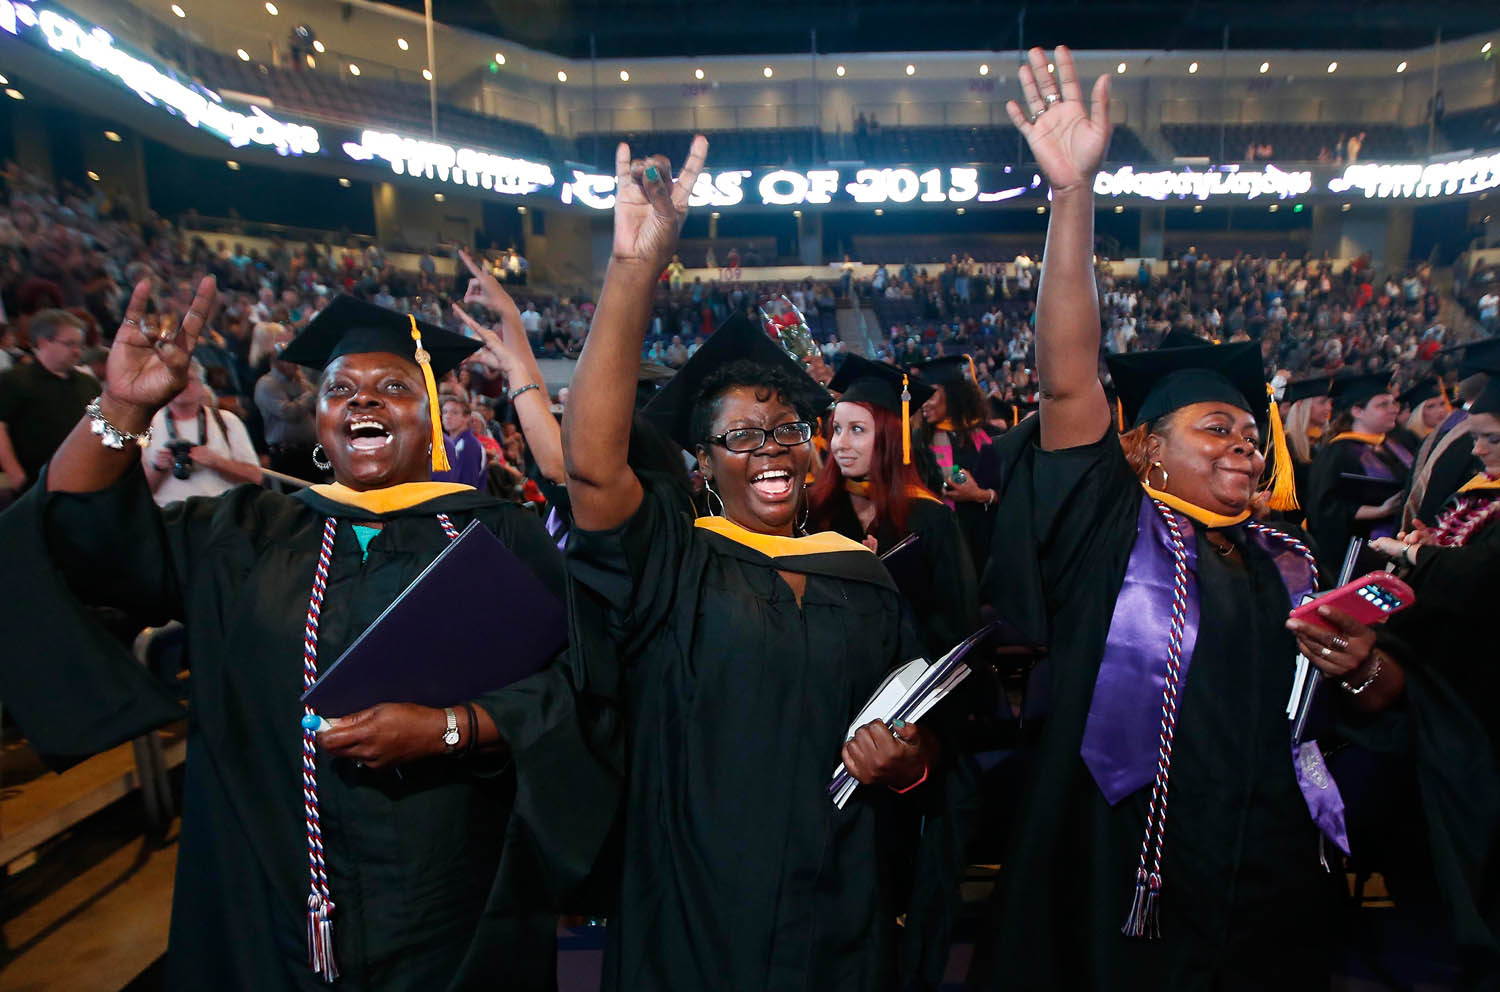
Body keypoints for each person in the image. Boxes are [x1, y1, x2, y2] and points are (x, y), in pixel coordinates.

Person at [0, 284, 610, 988]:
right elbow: (81, 541)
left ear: (433, 417)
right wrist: (126, 407)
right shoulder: (243, 533)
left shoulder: (499, 534)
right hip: (275, 895)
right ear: (319, 424)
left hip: (458, 901)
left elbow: (580, 687)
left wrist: (456, 727)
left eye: (393, 387)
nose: (363, 400)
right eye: (340, 389)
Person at [969, 47, 1357, 990]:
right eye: (1215, 427)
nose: (1246, 446)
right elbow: (1067, 375)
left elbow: (1334, 712)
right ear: (1145, 449)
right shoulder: (1112, 521)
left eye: (1252, 435)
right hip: (1126, 856)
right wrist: (1072, 197)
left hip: (1262, 855)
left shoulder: (1284, 553)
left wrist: (1368, 668)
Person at [562, 138, 945, 991]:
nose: (767, 451)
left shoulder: (863, 579)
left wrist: (910, 761)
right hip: (695, 908)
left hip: (838, 905)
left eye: (785, 433)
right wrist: (634, 267)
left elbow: (917, 744)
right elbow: (591, 465)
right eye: (739, 436)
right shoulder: (672, 560)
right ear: (701, 463)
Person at [1355, 367, 1500, 985]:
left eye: (1491, 436)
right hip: (1451, 682)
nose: (1477, 446)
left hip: (1478, 697)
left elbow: (1482, 583)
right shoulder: (1480, 492)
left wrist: (1417, 556)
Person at [808, 353, 978, 658]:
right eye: (836, 429)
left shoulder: (930, 518)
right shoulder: (818, 510)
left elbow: (956, 624)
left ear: (889, 437)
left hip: (911, 684)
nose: (840, 444)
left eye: (857, 430)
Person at [1305, 372, 1412, 574]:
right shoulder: (1336, 453)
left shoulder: (1401, 443)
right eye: (1382, 405)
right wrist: (1380, 511)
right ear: (1357, 410)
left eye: (1393, 403)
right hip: (1355, 552)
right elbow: (1323, 509)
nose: (1393, 410)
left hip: (1398, 544)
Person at [912, 354, 1001, 575]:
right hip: (941, 550)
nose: (924, 403)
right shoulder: (917, 443)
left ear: (952, 394)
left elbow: (1012, 493)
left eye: (930, 394)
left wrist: (979, 494)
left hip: (988, 545)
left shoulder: (991, 437)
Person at [0, 309, 98, 494]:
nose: (77, 351)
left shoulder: (88, 383)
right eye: (69, 344)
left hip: (88, 483)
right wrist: (17, 478)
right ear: (44, 343)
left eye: (80, 345)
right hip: (36, 487)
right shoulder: (13, 381)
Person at [142, 359, 262, 505]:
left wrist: (217, 462)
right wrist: (158, 469)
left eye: (190, 379)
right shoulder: (146, 425)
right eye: (176, 378)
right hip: (168, 515)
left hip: (220, 513)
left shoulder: (227, 421)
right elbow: (136, 493)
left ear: (202, 386)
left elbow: (255, 477)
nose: (183, 384)